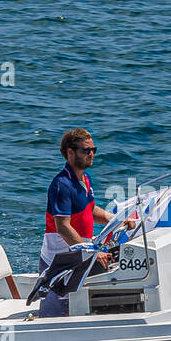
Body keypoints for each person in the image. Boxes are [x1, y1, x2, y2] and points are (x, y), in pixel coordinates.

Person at [38, 128, 133, 316]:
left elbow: (90, 210)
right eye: (86, 150)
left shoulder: (85, 179)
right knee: (52, 319)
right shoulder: (61, 185)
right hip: (58, 263)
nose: (92, 154)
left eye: (93, 150)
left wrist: (117, 221)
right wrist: (91, 251)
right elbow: (63, 227)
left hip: (78, 256)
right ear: (70, 152)